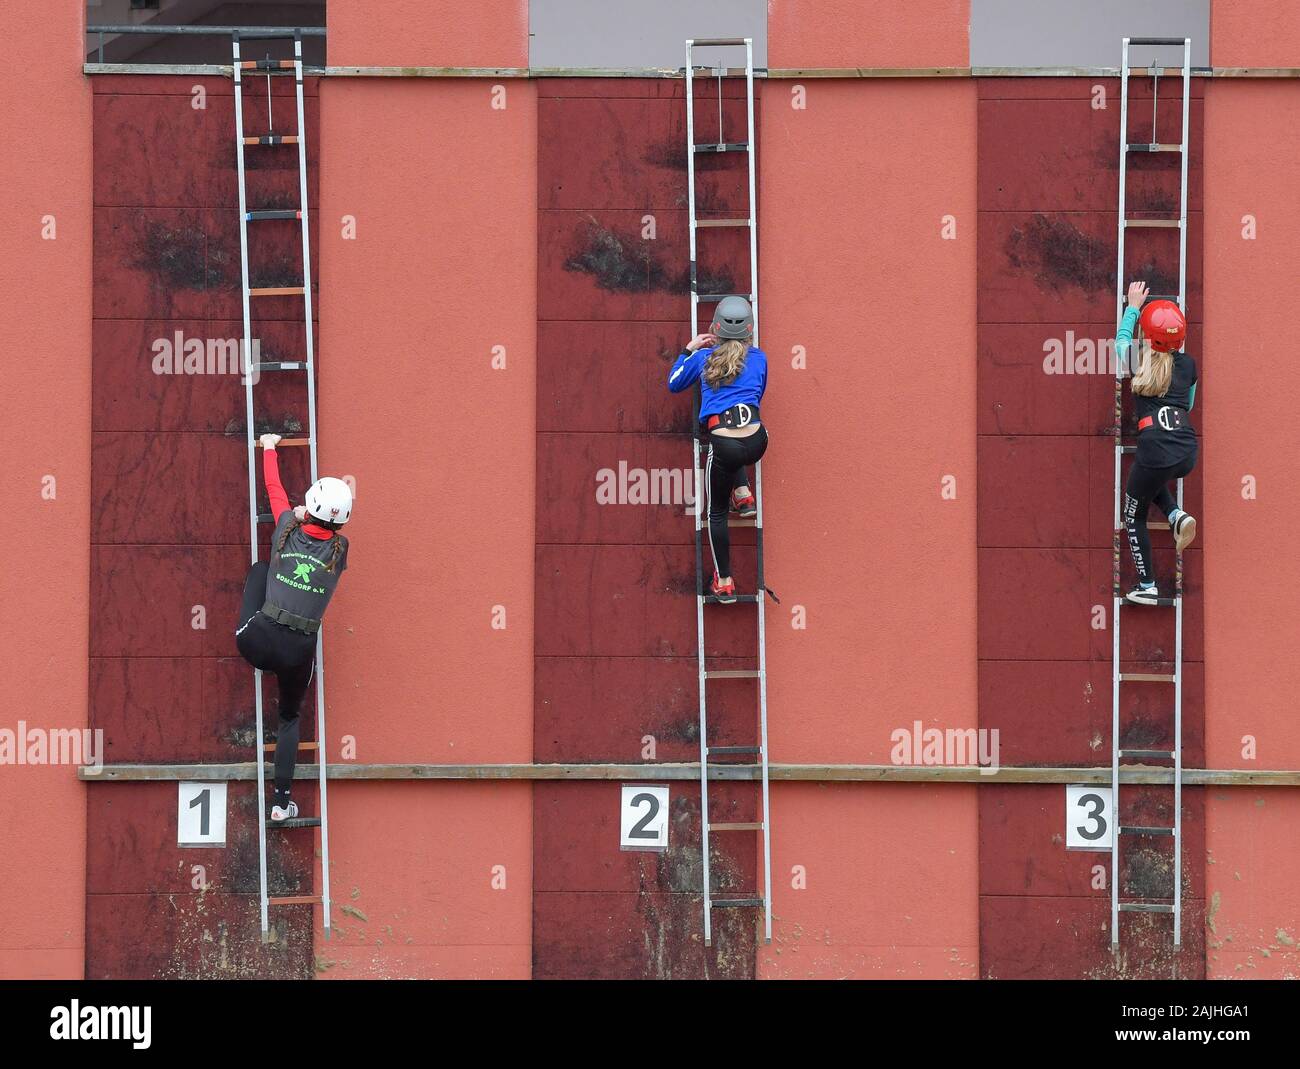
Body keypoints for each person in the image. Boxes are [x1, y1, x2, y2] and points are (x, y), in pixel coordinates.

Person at [235, 433, 351, 821]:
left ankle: (247, 626)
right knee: (289, 718)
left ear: (310, 505)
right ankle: (282, 803)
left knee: (259, 570)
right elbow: (325, 528)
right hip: (297, 652)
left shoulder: (285, 527)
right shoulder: (340, 550)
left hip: (256, 640)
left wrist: (269, 445)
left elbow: (275, 489)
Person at [667, 295, 768, 604]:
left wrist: (690, 348)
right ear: (749, 331)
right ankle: (743, 494)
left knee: (716, 513)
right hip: (758, 441)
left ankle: (724, 581)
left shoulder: (702, 358)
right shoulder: (760, 357)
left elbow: (673, 383)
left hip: (726, 446)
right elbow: (758, 393)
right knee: (737, 445)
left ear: (715, 329)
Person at [1116, 281, 1198, 606]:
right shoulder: (1188, 365)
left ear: (1147, 337)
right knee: (1151, 480)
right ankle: (1176, 514)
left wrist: (1132, 307)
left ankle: (1147, 585)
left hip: (1155, 449)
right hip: (1186, 450)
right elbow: (1188, 405)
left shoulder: (1138, 360)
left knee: (1132, 513)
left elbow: (1120, 344)